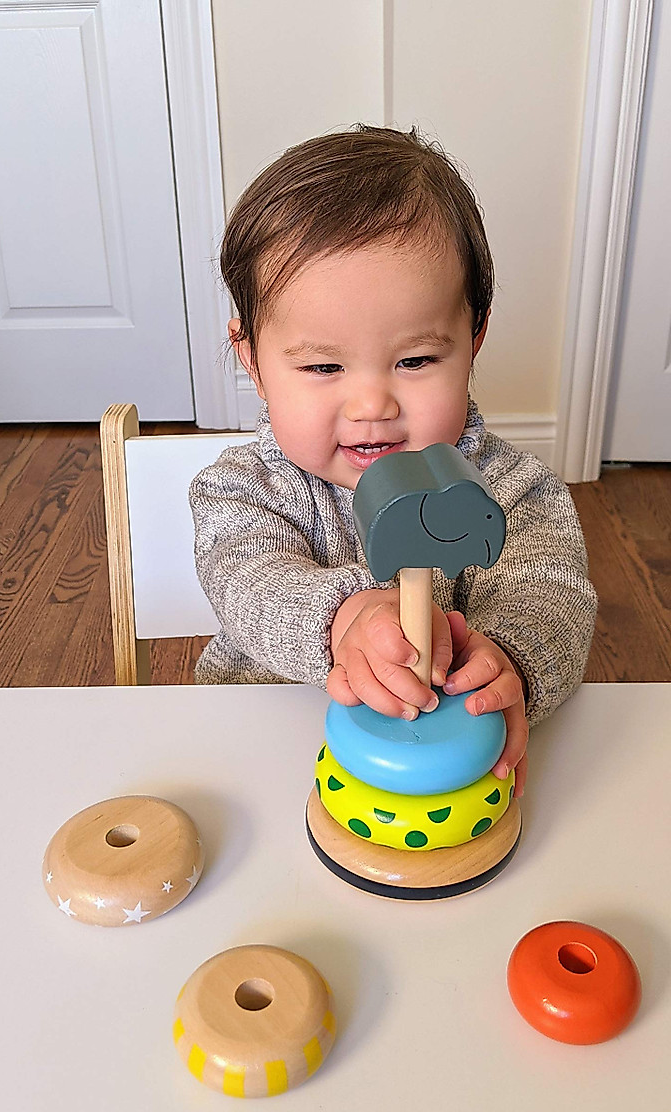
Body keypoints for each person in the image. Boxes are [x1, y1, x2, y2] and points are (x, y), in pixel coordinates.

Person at [190, 125, 596, 795]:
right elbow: (248, 584)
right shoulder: (242, 491)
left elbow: (550, 597)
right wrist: (343, 618)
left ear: (475, 337)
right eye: (323, 365)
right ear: (254, 363)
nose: (371, 403)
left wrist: (510, 664)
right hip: (257, 764)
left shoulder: (516, 492)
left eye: (415, 361)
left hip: (445, 770)